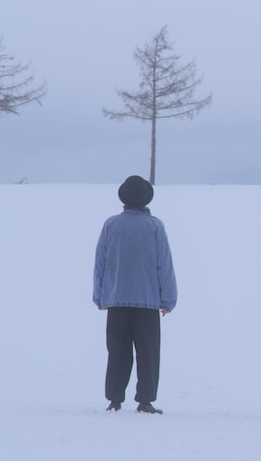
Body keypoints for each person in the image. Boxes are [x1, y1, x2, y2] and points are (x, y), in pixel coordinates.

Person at [93, 175, 178, 415]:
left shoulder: (111, 225)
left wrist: (99, 295)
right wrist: (168, 299)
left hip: (116, 301)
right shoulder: (155, 226)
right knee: (148, 353)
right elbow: (164, 265)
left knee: (117, 350)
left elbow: (101, 262)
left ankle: (115, 399)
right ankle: (145, 400)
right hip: (148, 303)